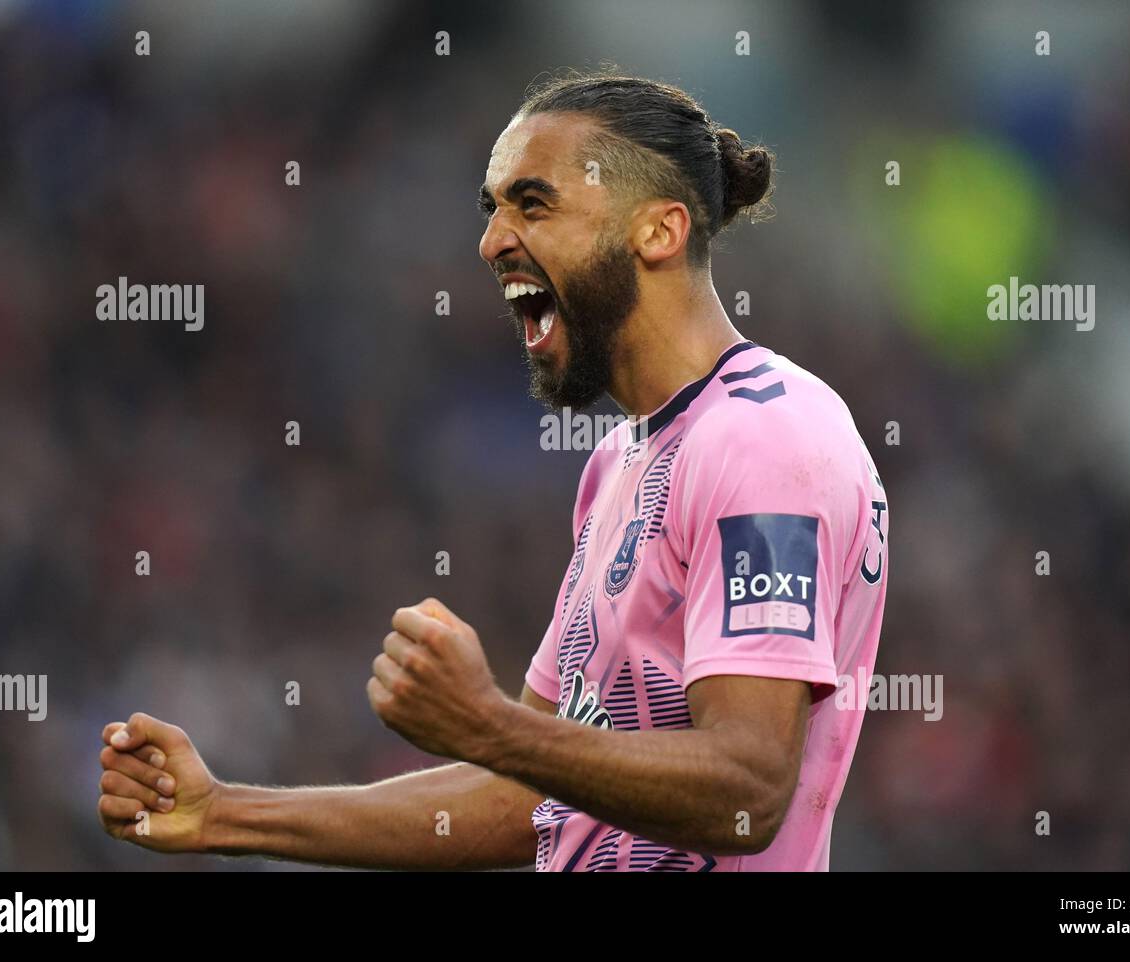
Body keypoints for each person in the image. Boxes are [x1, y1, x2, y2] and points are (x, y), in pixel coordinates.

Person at [98, 72, 890, 871]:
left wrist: (489, 724)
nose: (492, 242)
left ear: (658, 231)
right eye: (493, 209)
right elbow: (529, 796)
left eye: (533, 203)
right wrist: (223, 816)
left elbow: (747, 790)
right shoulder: (623, 462)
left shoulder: (764, 438)